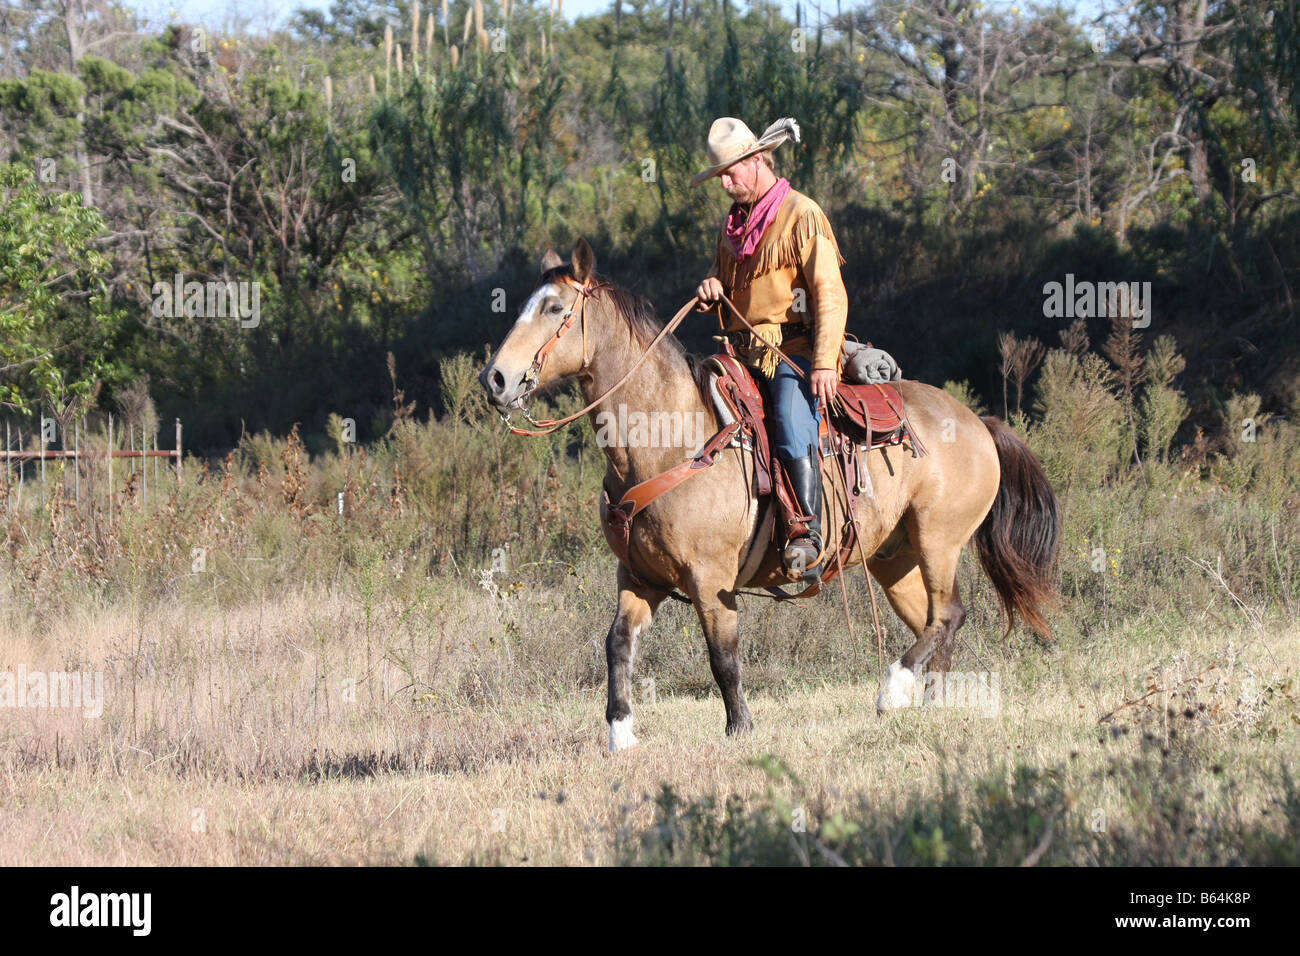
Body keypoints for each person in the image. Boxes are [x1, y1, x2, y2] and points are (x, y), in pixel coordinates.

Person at [692, 116, 849, 583]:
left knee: (788, 408)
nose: (725, 183)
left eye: (731, 172)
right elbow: (731, 288)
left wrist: (823, 363)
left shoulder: (803, 215)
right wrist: (712, 287)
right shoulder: (733, 229)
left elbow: (829, 293)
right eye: (719, 175)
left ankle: (806, 531)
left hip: (795, 350)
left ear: (757, 160)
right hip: (741, 353)